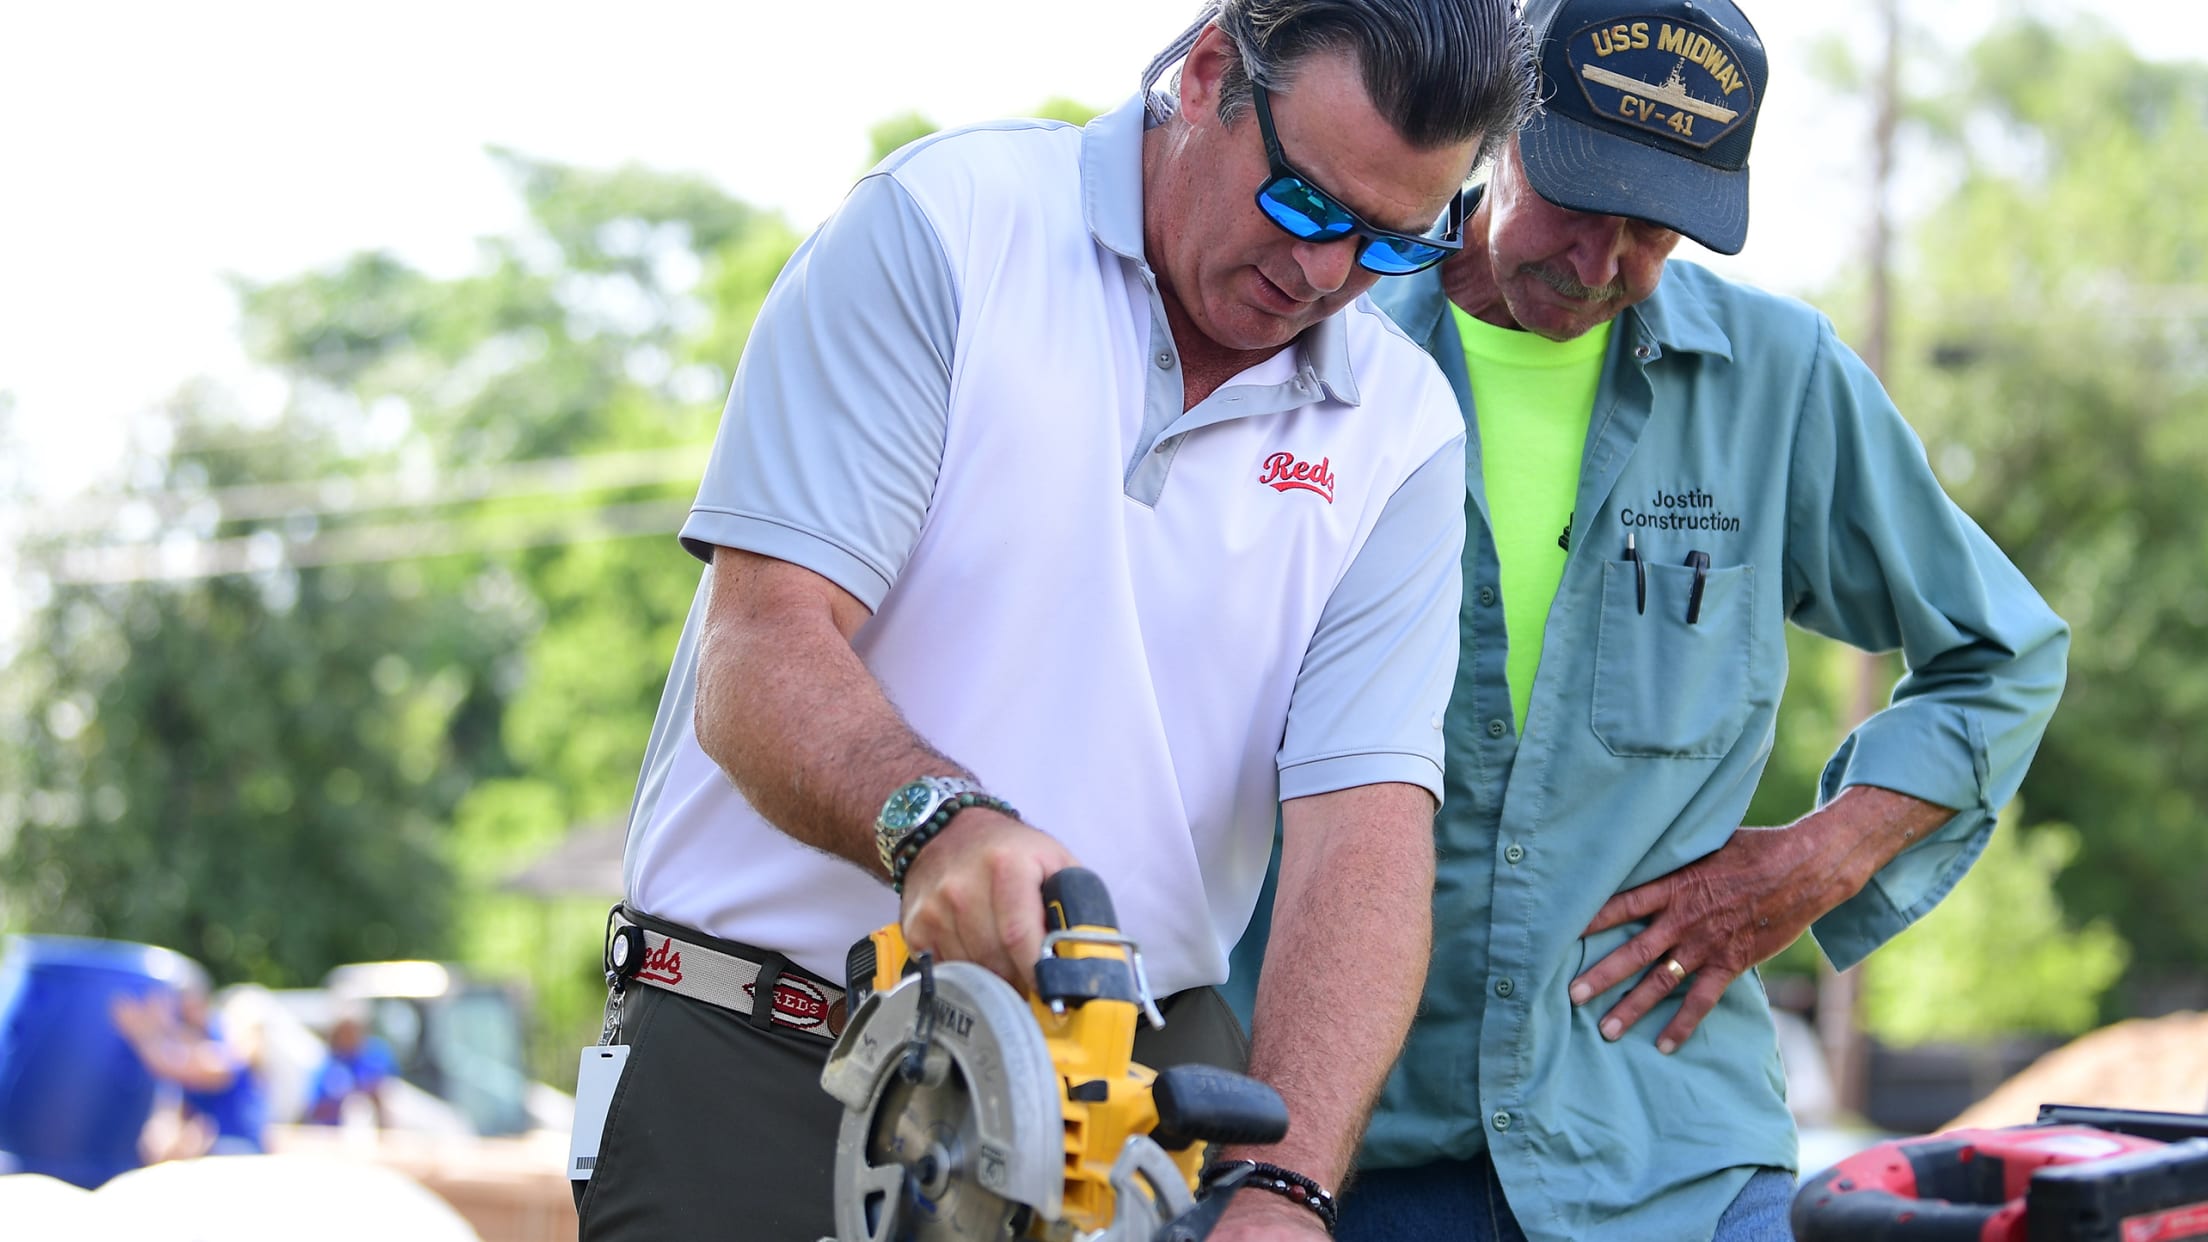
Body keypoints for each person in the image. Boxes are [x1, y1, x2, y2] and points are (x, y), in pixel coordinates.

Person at [576, 2, 1534, 1238]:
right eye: (1303, 204)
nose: (1324, 274)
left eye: (1389, 244)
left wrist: (1287, 1184)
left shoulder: (1401, 429)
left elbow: (1365, 838)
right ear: (1204, 75)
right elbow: (758, 646)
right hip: (770, 1051)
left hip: (1125, 1100)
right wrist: (936, 823)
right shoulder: (950, 229)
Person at [1225, 0, 2071, 1237]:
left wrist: (1812, 862)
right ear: (1501, 130)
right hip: (1333, 1149)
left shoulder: (1780, 381)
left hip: (1667, 1147)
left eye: (1656, 229)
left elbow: (2003, 656)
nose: (1601, 261)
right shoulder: (1309, 339)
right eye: (1579, 199)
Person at [109, 985, 268, 1158]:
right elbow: (179, 1123)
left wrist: (142, 1031)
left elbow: (171, 1064)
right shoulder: (192, 1076)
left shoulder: (229, 1058)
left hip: (240, 1153)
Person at [303, 1010, 394, 1128]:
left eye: (353, 1031)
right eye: (344, 1032)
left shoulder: (371, 1059)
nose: (349, 1036)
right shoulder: (328, 1066)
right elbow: (313, 1104)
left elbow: (383, 1091)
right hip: (330, 1131)